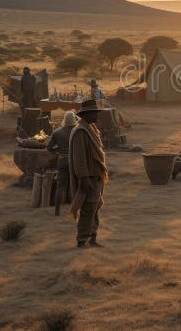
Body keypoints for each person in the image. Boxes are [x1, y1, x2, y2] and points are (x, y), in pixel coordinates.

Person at [69, 99, 108, 248]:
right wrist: (84, 178)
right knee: (88, 209)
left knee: (94, 208)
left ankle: (93, 237)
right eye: (95, 113)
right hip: (89, 177)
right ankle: (82, 240)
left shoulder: (91, 128)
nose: (97, 115)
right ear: (87, 114)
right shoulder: (80, 131)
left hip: (96, 177)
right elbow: (79, 158)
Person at [47, 111, 78, 216]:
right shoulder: (78, 131)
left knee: (60, 187)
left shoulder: (57, 132)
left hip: (62, 160)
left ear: (64, 119)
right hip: (74, 161)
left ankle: (57, 212)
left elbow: (49, 147)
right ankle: (75, 212)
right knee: (75, 186)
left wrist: (58, 151)